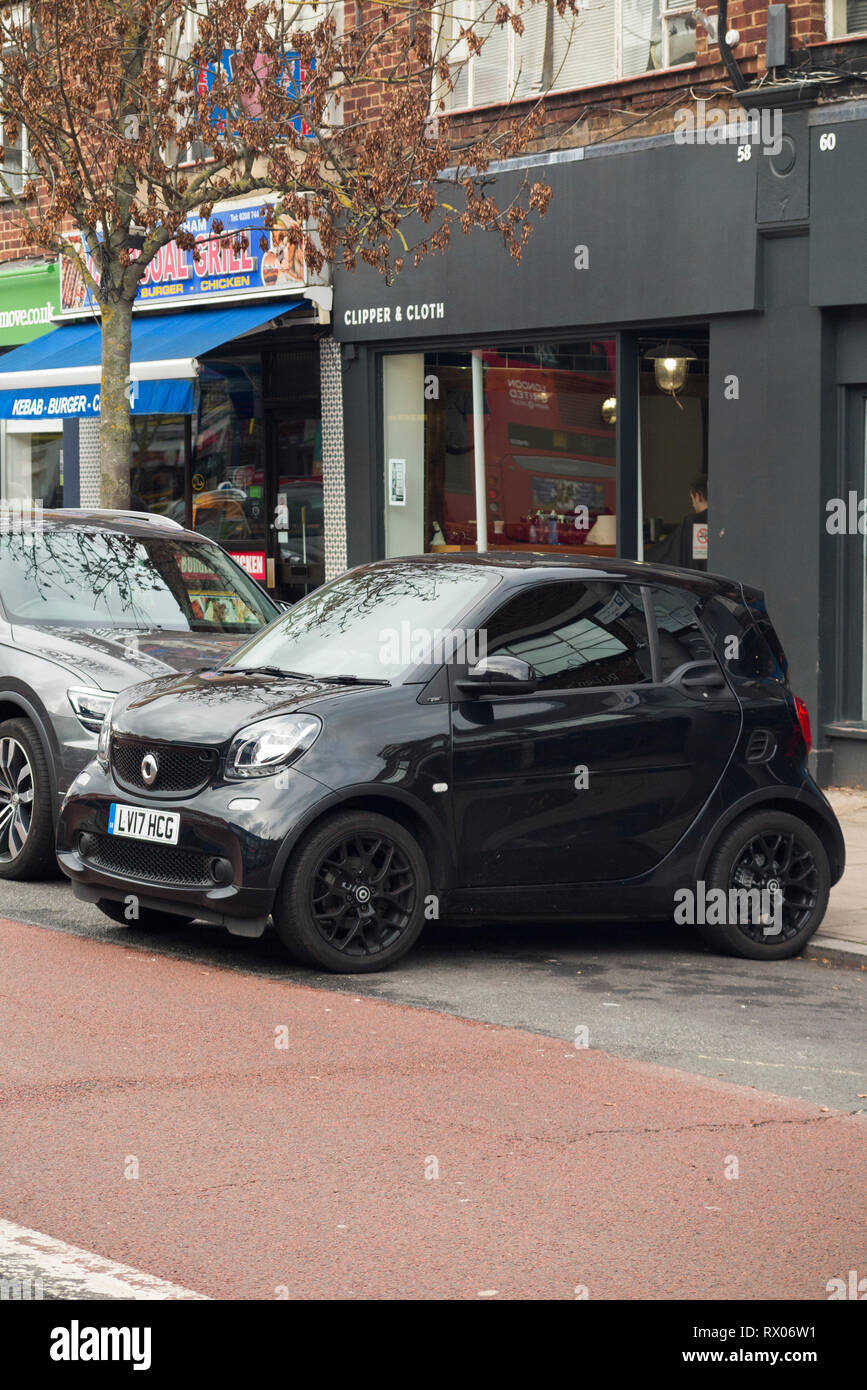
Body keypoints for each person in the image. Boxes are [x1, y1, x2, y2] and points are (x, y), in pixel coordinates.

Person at [647, 474, 708, 571]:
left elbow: (667, 553)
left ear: (698, 496)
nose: (693, 504)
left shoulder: (692, 522)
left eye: (692, 499)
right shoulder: (724, 522)